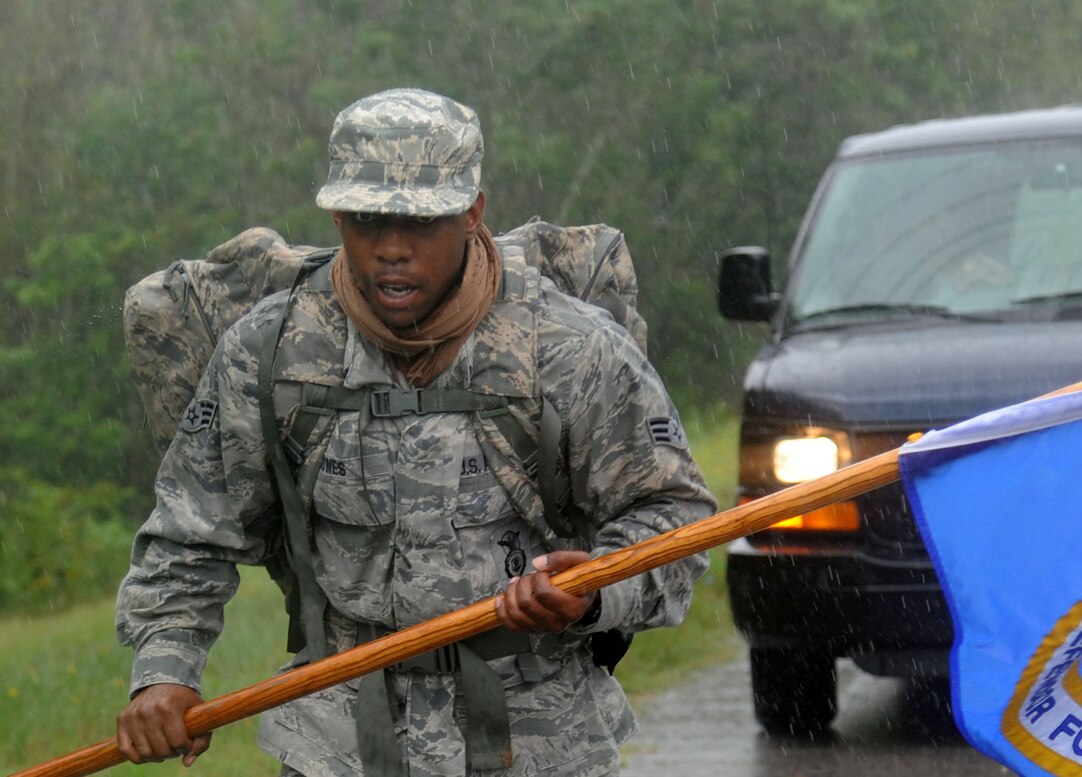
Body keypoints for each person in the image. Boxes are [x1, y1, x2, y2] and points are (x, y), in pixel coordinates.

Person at [114, 87, 715, 777]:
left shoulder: (571, 350)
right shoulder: (271, 352)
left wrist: (596, 590)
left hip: (540, 740)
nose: (392, 250)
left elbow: (673, 517)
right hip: (337, 743)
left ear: (472, 214)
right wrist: (163, 669)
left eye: (421, 222)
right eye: (368, 220)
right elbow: (190, 530)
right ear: (337, 216)